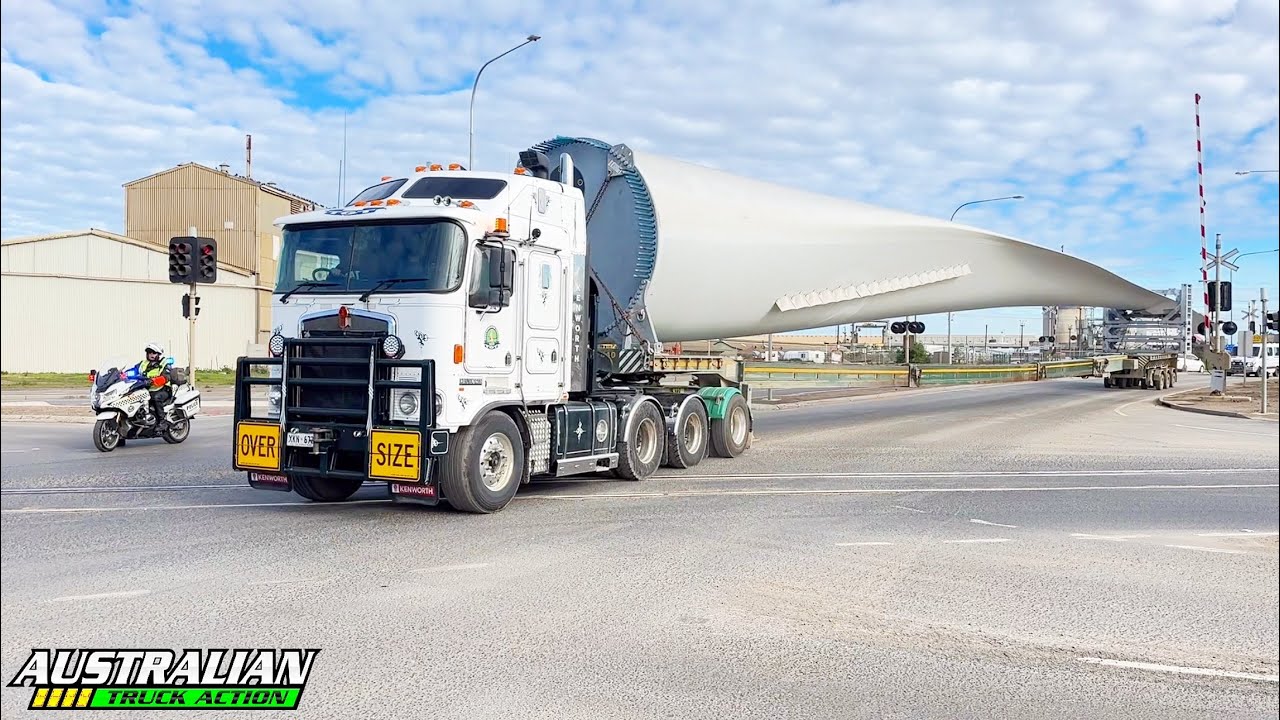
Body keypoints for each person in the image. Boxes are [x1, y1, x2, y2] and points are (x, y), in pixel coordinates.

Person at [130, 342, 172, 426]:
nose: (151, 355)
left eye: (154, 353)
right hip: (146, 389)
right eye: (149, 353)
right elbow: (133, 370)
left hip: (162, 389)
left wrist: (153, 381)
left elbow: (166, 377)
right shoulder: (143, 363)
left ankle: (162, 421)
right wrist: (122, 374)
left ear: (159, 354)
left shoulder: (164, 363)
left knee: (156, 397)